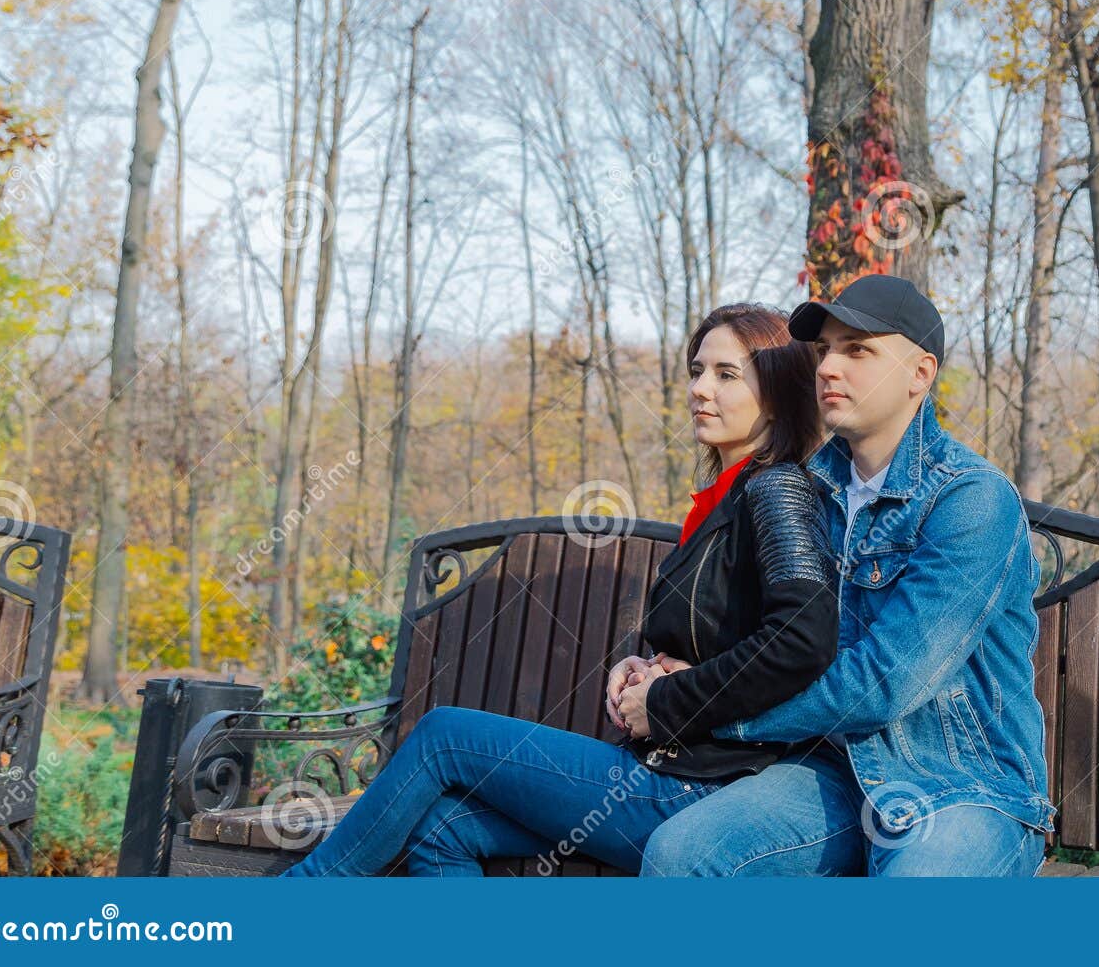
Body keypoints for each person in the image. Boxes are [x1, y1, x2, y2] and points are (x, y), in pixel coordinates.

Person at [281, 303, 836, 876]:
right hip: (660, 772)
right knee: (442, 827)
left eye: (726, 375)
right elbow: (726, 631)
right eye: (697, 370)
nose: (701, 389)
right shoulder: (723, 498)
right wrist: (645, 667)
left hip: (698, 793)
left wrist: (668, 698)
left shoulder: (778, 491)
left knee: (443, 735)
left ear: (776, 391)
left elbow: (800, 639)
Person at [640, 274, 1055, 877]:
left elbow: (883, 683)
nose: (829, 367)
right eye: (825, 350)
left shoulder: (971, 502)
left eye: (858, 350)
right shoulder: (805, 487)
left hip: (961, 784)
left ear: (920, 374)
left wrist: (700, 709)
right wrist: (656, 668)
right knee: (681, 858)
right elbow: (769, 637)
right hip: (833, 773)